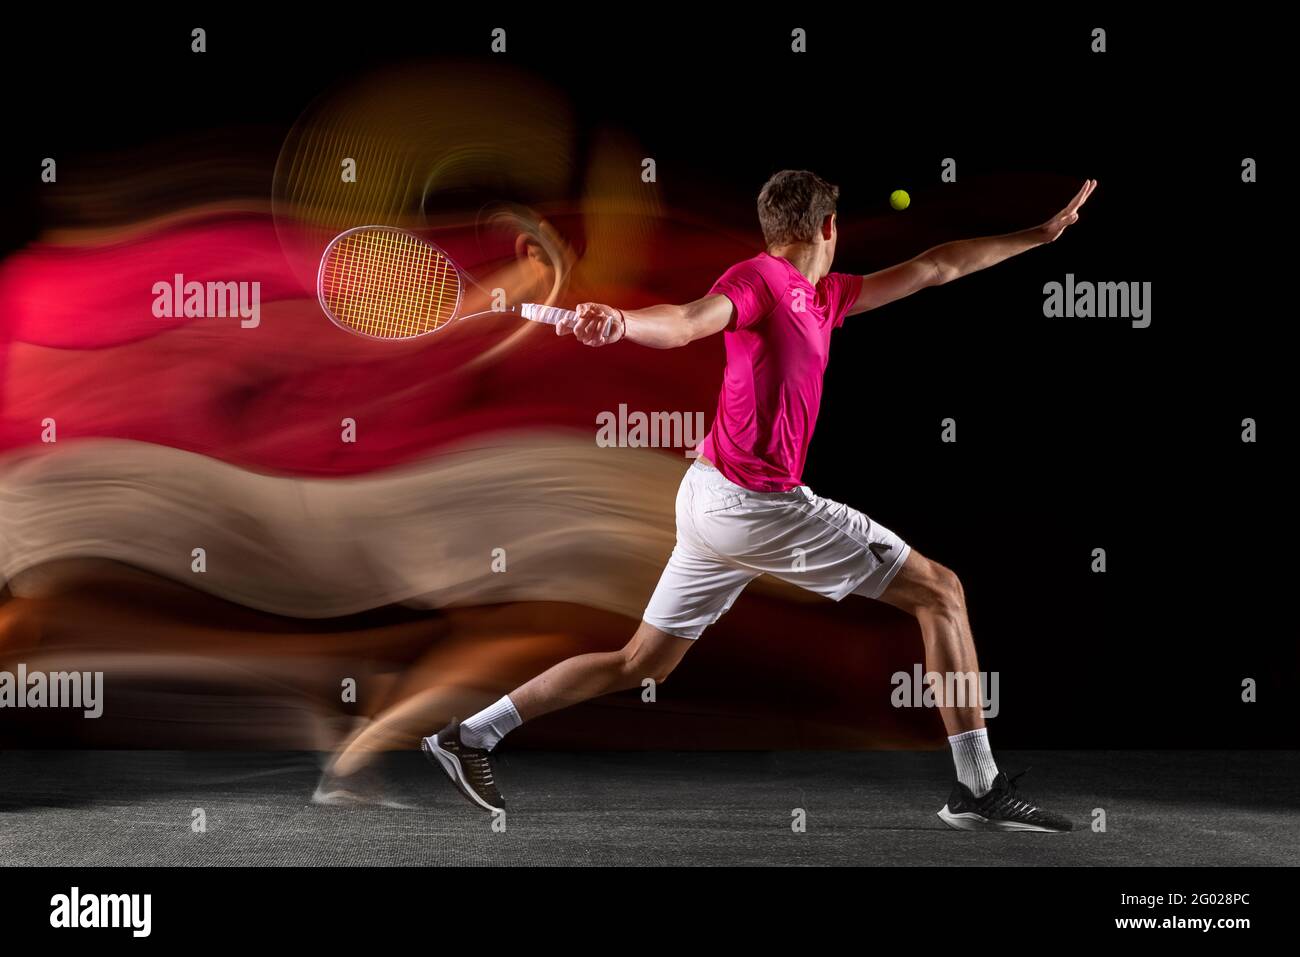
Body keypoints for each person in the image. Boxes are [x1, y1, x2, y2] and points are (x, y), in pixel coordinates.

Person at [423, 170, 1095, 831]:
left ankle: (471, 735)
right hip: (755, 506)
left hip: (711, 500)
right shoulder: (761, 280)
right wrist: (623, 323)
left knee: (640, 661)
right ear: (829, 228)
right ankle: (977, 788)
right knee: (940, 591)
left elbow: (937, 267)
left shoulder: (823, 294)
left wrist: (1036, 235)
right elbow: (688, 321)